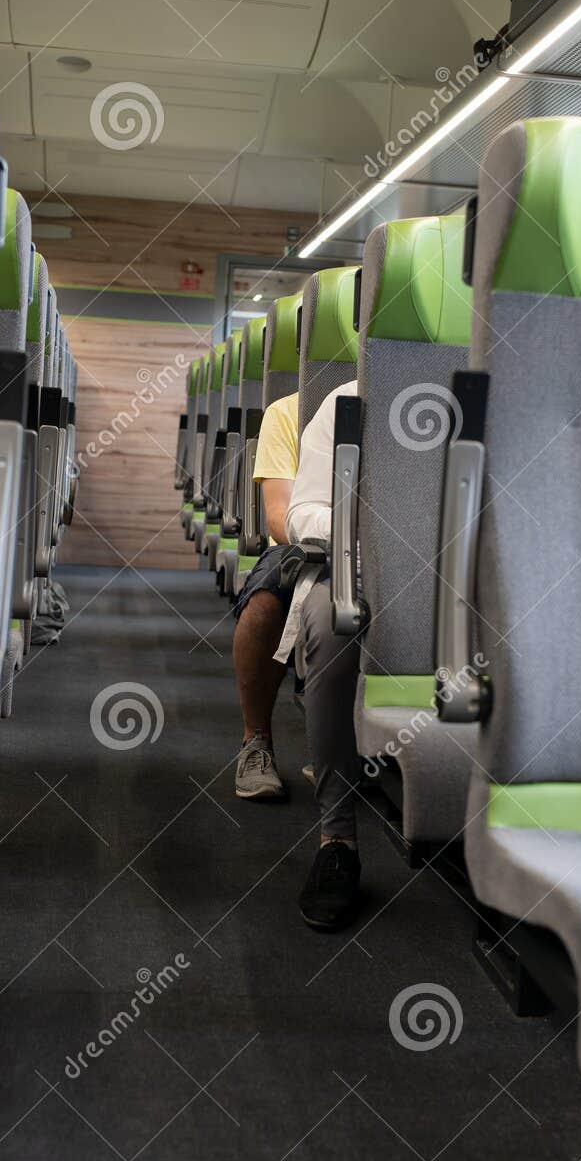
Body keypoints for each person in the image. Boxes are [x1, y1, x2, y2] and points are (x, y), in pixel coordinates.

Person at [281, 380, 363, 931]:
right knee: (332, 624)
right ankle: (338, 839)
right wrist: (368, 534)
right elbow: (300, 511)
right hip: (354, 569)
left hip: (472, 577)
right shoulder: (349, 403)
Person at [231, 389, 299, 802]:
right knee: (266, 599)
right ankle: (255, 740)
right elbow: (278, 516)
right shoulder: (289, 412)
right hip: (307, 540)